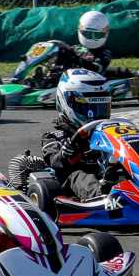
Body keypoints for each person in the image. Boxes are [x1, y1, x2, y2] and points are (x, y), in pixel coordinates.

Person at [33, 70, 116, 201]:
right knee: (79, 175)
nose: (96, 115)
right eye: (90, 109)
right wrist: (64, 154)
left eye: (101, 107)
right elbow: (54, 162)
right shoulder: (54, 136)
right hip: (69, 182)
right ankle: (100, 194)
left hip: (104, 173)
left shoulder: (105, 132)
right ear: (68, 103)